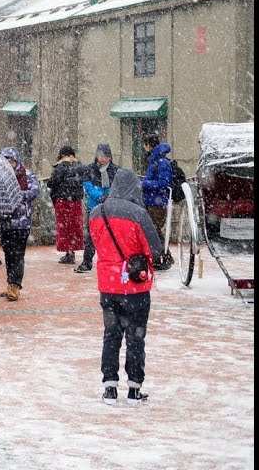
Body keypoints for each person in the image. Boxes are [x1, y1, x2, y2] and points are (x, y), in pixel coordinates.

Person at [88, 167, 158, 406]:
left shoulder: (96, 212)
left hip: (107, 285)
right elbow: (154, 249)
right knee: (135, 338)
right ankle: (134, 390)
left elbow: (95, 243)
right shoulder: (138, 214)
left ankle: (109, 388)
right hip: (135, 287)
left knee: (111, 335)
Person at [0, 147, 41, 302]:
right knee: (8, 254)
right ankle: (10, 283)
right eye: (6, 160)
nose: (9, 163)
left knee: (17, 255)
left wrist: (16, 194)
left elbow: (35, 192)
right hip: (5, 221)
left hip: (22, 222)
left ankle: (15, 285)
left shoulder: (27, 174)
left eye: (12, 160)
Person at [76, 144, 118, 273]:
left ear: (110, 157)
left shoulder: (115, 170)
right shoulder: (89, 169)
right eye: (100, 156)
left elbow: (116, 186)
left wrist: (108, 196)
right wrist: (100, 196)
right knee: (91, 236)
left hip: (110, 207)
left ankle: (111, 262)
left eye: (105, 156)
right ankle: (87, 262)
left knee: (111, 235)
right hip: (93, 207)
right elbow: (88, 187)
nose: (102, 159)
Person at [49, 145, 86, 266]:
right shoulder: (80, 166)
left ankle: (68, 252)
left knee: (64, 227)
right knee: (75, 226)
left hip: (63, 200)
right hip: (76, 201)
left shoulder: (61, 167)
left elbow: (52, 182)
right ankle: (72, 250)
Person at [139, 132, 174, 249]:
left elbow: (163, 183)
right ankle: (161, 254)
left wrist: (143, 183)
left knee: (154, 231)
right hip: (151, 201)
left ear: (149, 145)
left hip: (157, 203)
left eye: (145, 145)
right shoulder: (155, 160)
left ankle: (163, 254)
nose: (144, 147)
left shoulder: (161, 162)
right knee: (152, 231)